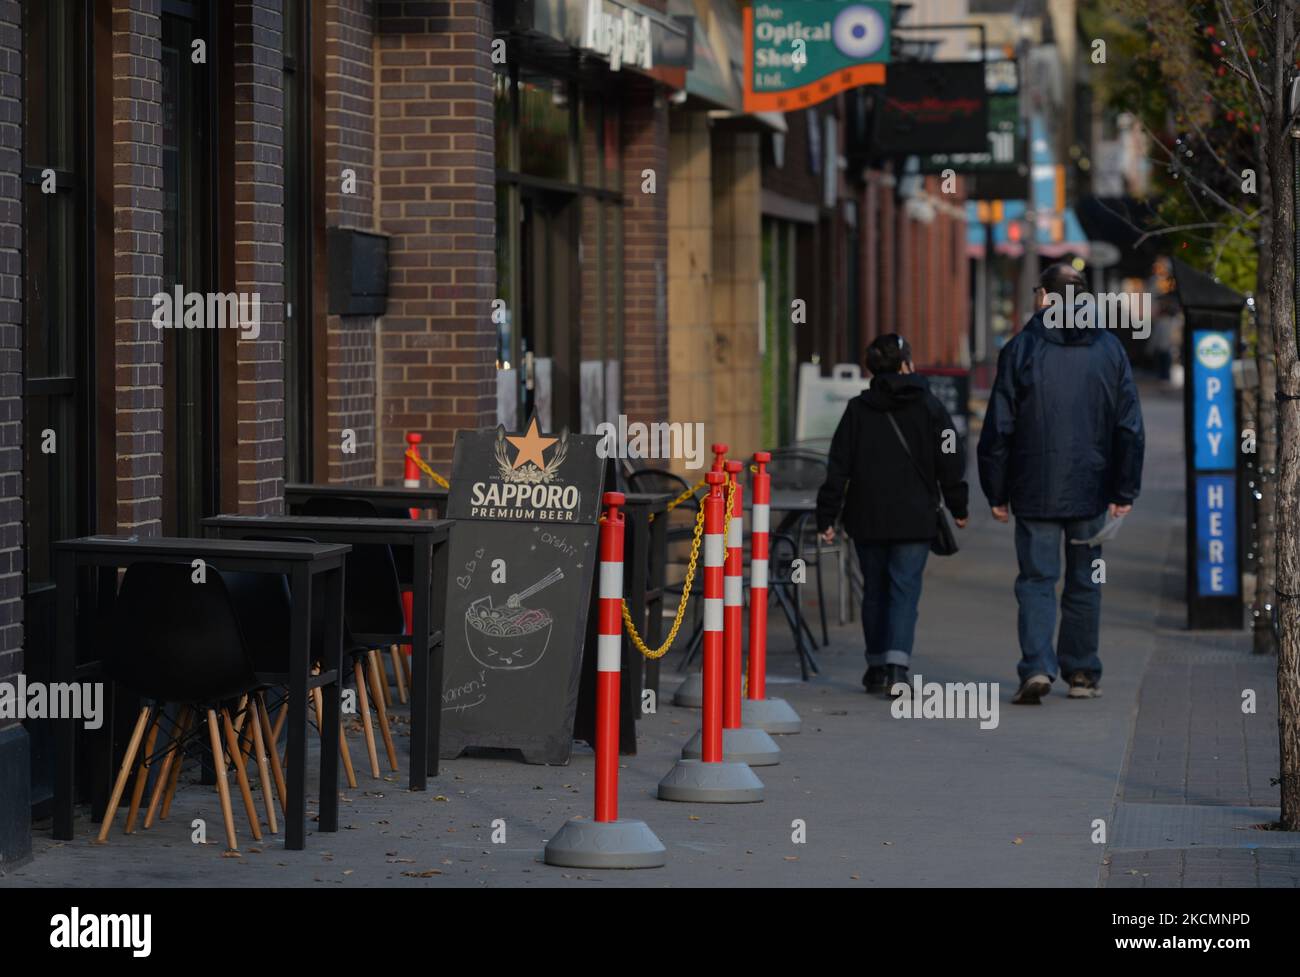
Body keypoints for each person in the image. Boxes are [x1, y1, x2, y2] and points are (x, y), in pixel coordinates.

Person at [977, 262, 1145, 704]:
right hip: (1091, 489)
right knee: (1086, 581)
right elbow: (1128, 425)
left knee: (1036, 579)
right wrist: (1125, 489)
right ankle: (1082, 672)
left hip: (1034, 488)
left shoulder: (1021, 349)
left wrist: (995, 491)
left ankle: (1037, 666)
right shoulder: (1109, 349)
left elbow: (999, 427)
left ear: (1048, 298)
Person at [816, 334, 969, 696]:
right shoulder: (930, 406)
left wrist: (827, 516)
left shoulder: (857, 409)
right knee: (903, 590)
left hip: (866, 516)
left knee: (875, 591)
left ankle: (875, 667)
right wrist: (958, 504)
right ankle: (898, 669)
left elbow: (838, 466)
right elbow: (950, 455)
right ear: (905, 365)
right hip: (914, 518)